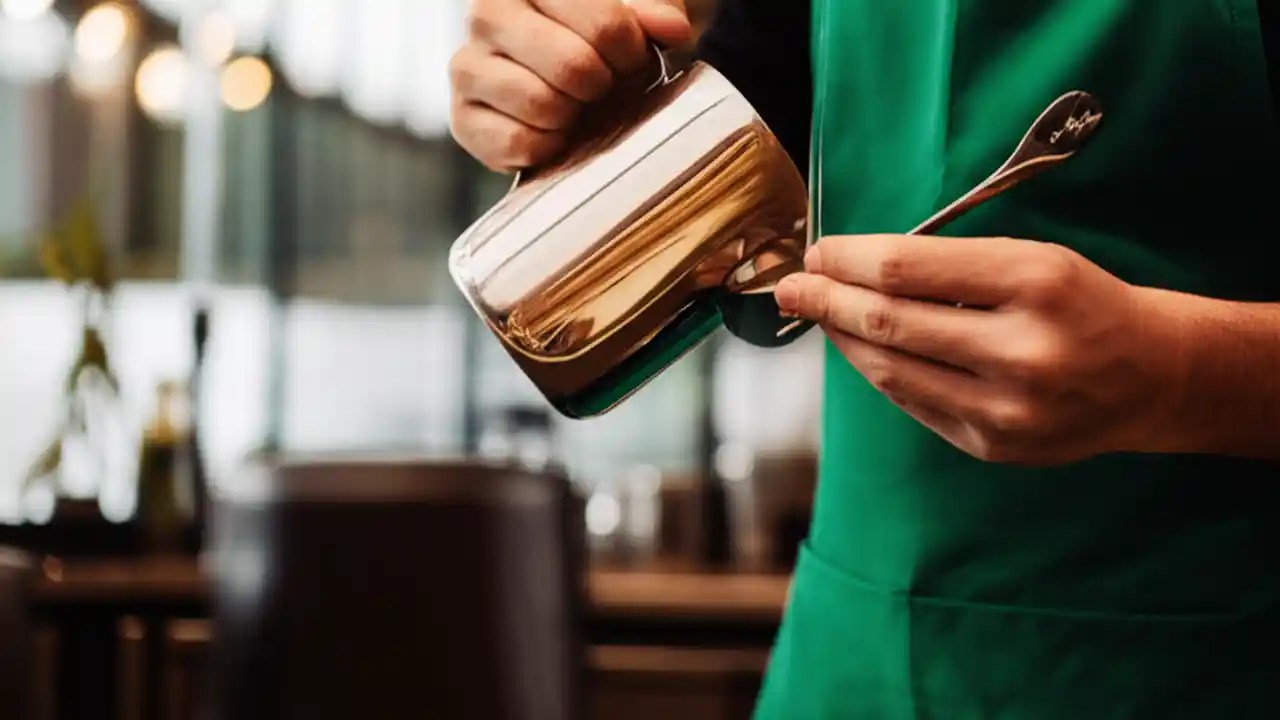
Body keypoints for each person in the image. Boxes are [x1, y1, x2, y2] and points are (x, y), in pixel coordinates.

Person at [449, 0, 1280, 716]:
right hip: (845, 666)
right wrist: (565, 94)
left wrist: (1191, 374)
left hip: (1204, 669)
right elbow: (746, 151)